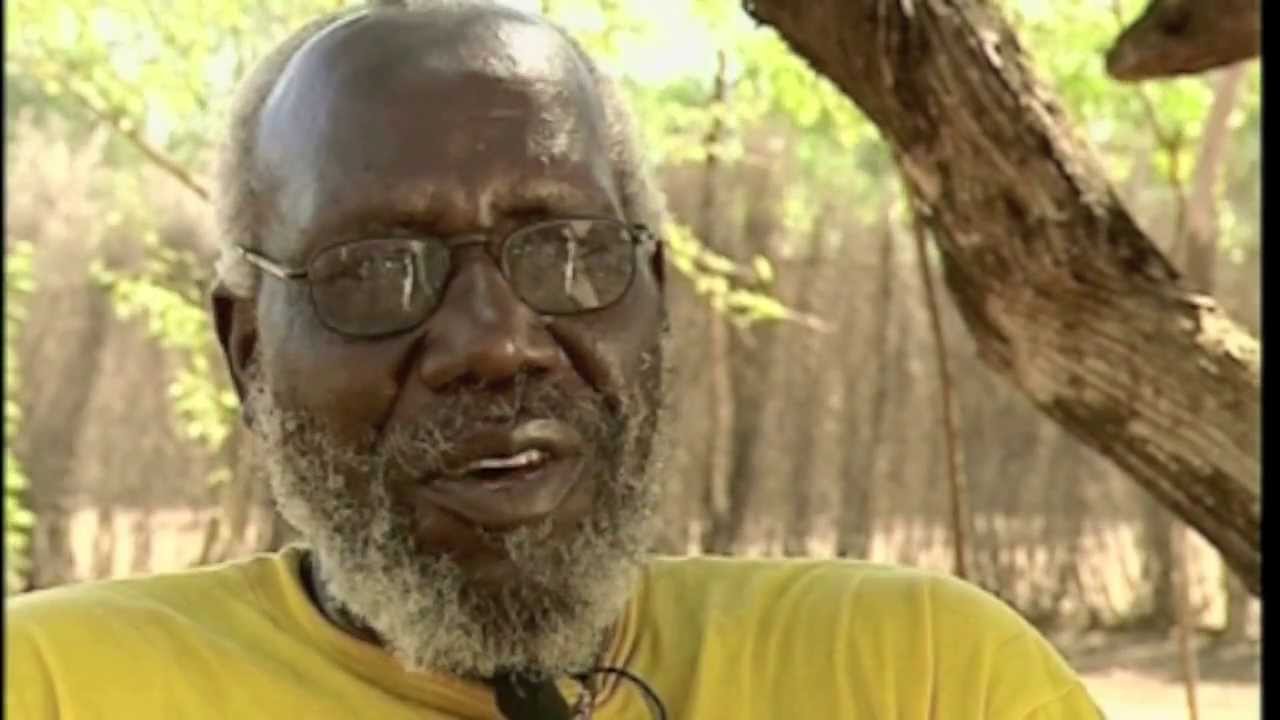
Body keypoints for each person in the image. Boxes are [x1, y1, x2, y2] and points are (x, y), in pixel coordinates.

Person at [5, 1, 1105, 718]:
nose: (494, 342)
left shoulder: (913, 677)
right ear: (247, 353)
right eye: (381, 272)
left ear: (657, 307)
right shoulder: (59, 689)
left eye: (568, 251)